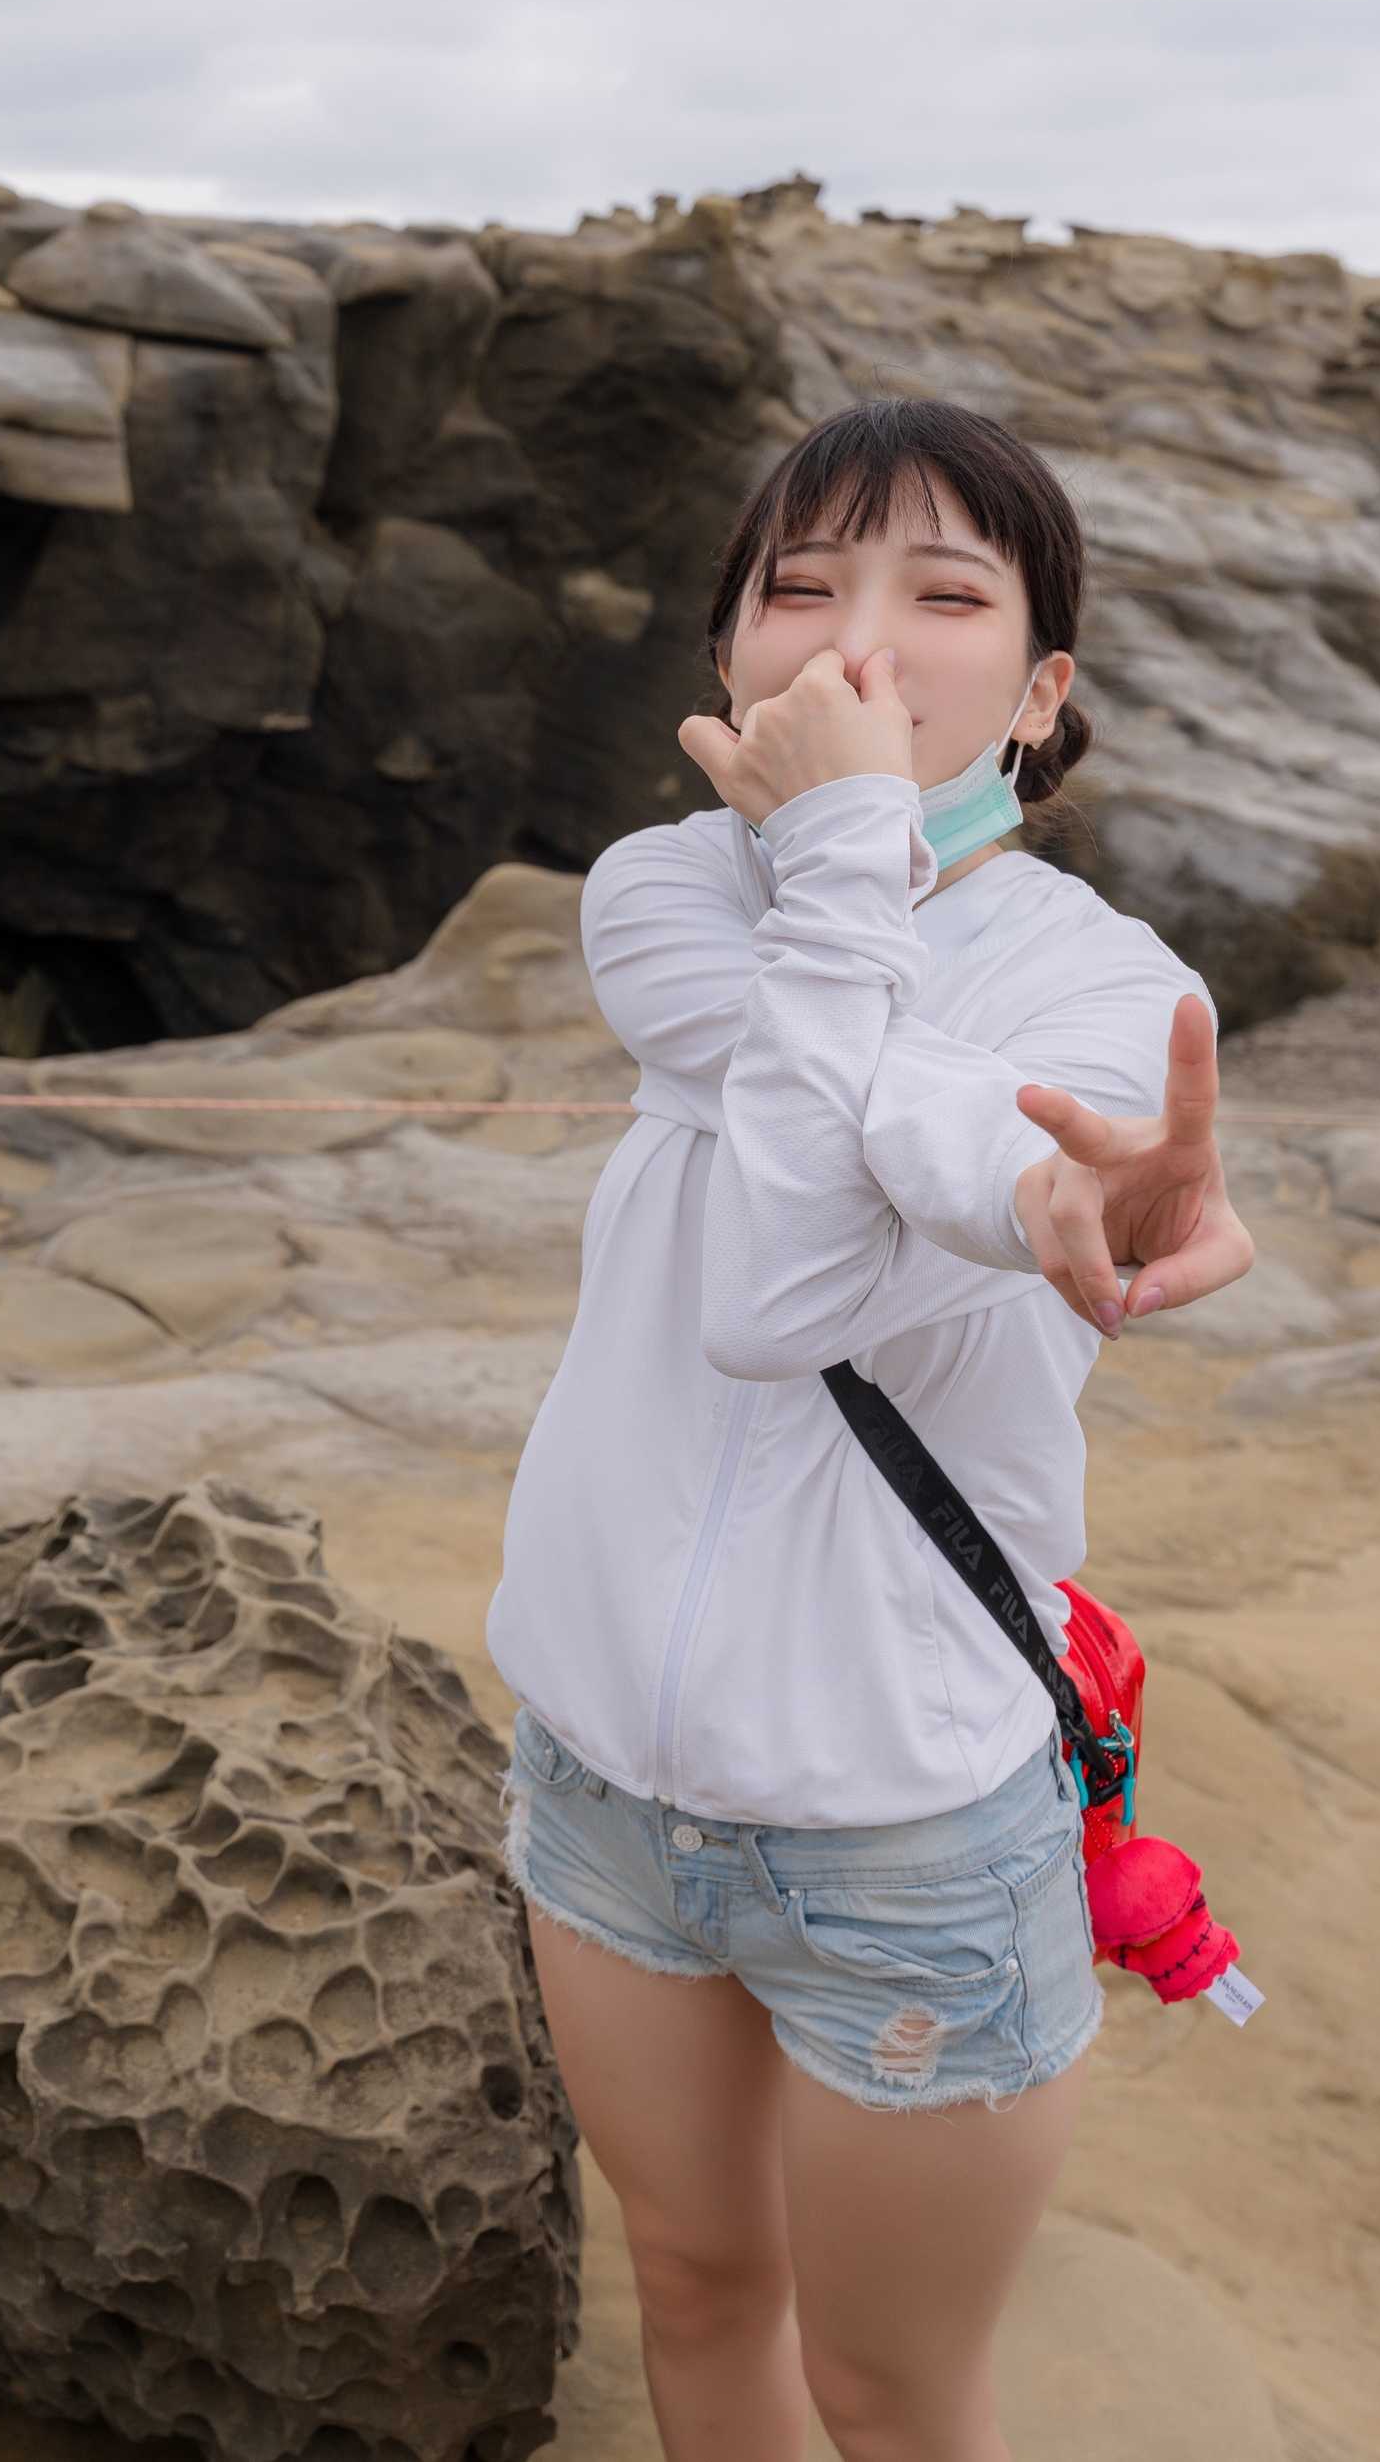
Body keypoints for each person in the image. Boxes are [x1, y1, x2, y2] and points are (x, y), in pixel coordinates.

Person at [484, 395, 1257, 2462]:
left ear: (1042, 687)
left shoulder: (1109, 992)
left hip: (900, 1827)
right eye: (798, 588)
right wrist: (995, 1169)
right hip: (604, 1788)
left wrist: (1053, 1201)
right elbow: (825, 1167)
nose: (857, 642)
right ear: (726, 650)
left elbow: (782, 1293)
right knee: (698, 2291)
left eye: (942, 595)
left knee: (892, 2387)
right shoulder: (659, 894)